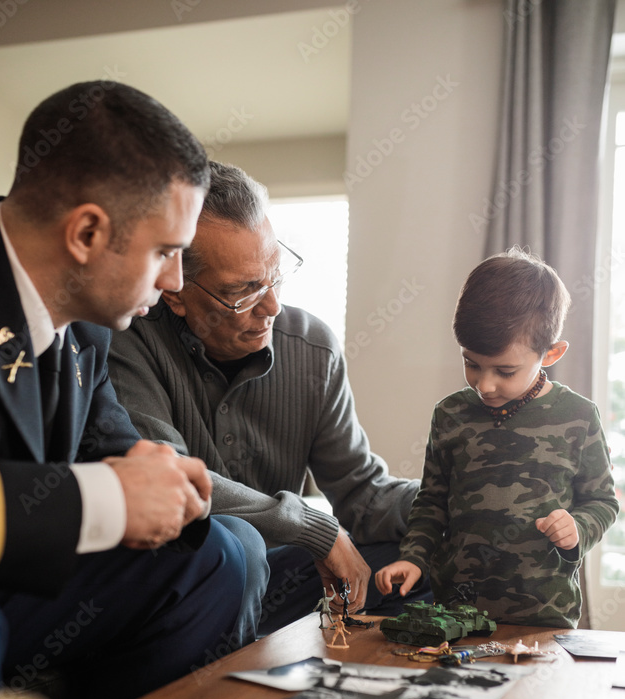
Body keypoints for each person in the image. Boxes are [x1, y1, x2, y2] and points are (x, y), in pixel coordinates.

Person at [0, 82, 267, 699]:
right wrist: (107, 498)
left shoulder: (88, 324)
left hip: (17, 575)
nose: (175, 282)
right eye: (166, 252)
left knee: (217, 552)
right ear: (88, 232)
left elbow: (108, 438)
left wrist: (157, 474)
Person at [108, 161, 424, 634]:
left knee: (424, 550)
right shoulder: (129, 338)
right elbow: (170, 481)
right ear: (175, 291)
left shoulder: (313, 348)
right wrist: (313, 528)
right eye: (244, 291)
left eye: (276, 275)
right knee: (234, 545)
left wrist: (449, 502)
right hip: (187, 581)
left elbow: (362, 494)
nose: (272, 307)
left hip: (283, 578)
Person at [376, 248, 619, 628]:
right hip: (455, 613)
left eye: (505, 370)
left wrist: (578, 528)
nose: (484, 385)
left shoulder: (579, 416)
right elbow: (432, 502)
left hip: (544, 616)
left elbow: (603, 501)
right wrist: (414, 558)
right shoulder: (449, 415)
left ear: (551, 353)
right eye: (471, 363)